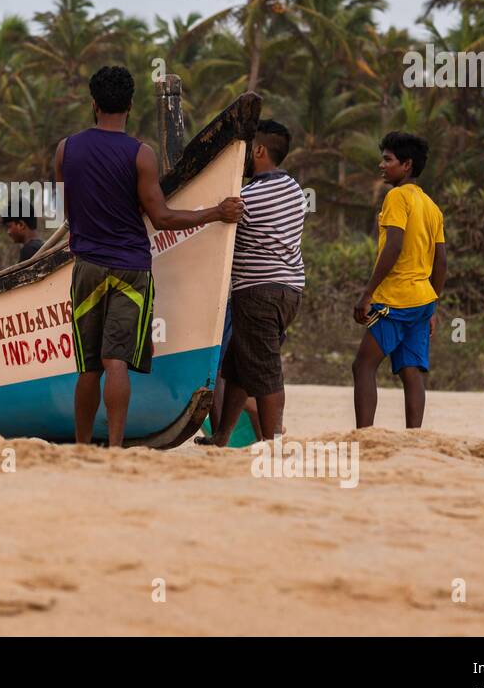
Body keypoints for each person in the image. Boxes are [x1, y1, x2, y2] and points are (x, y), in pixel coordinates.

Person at [55, 65, 242, 447]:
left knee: (88, 367)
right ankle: (116, 447)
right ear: (129, 105)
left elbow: (68, 207)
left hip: (87, 266)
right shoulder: (141, 155)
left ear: (93, 103)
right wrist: (215, 212)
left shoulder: (66, 149)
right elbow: (162, 217)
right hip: (129, 268)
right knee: (115, 361)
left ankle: (80, 446)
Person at [204, 120, 306, 445]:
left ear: (259, 150)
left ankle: (273, 441)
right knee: (237, 368)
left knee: (265, 370)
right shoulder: (293, 189)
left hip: (258, 291)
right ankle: (222, 436)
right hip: (289, 289)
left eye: (246, 149)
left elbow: (221, 228)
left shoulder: (249, 197)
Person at [353, 131, 447, 429]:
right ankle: (414, 437)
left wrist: (367, 293)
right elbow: (441, 261)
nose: (382, 165)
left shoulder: (396, 196)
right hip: (422, 300)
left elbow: (393, 245)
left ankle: (365, 435)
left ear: (406, 165)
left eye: (388, 160)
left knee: (363, 365)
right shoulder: (431, 207)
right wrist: (433, 305)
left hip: (395, 298)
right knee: (411, 371)